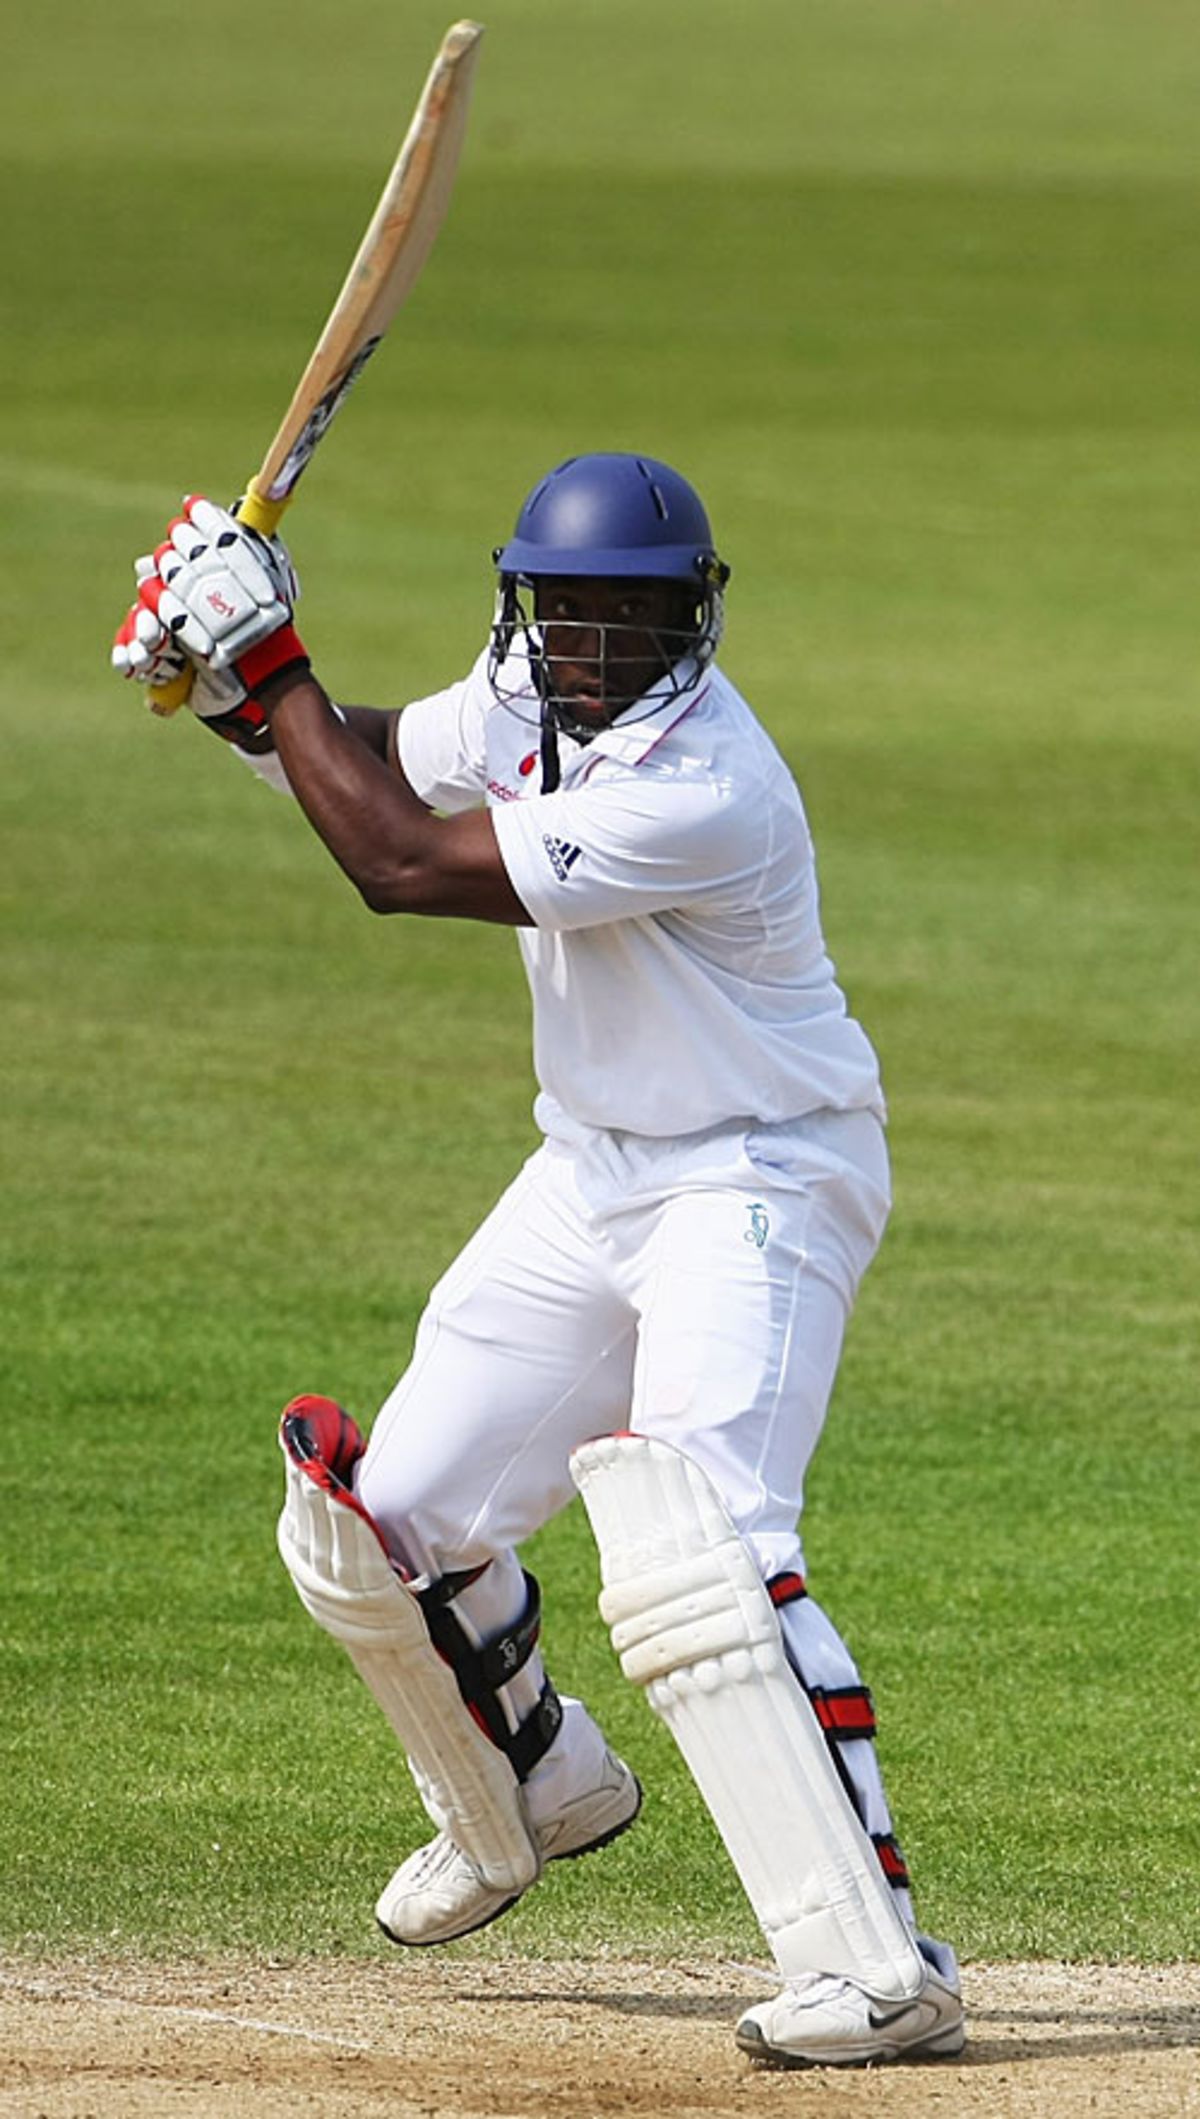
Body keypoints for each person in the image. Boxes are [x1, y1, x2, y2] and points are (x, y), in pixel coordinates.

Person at [112, 453, 965, 2069]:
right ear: (525, 604)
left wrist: (269, 656)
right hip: (595, 1170)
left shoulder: (705, 781)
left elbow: (399, 863)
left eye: (625, 613)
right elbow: (373, 761)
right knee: (389, 1526)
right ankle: (538, 1786)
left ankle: (879, 1963)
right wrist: (231, 689)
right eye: (565, 606)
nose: (586, 638)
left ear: (688, 621)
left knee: (705, 1545)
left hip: (759, 1171)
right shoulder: (523, 689)